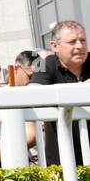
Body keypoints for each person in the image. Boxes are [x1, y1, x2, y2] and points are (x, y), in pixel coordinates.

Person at [28, 20, 89, 166]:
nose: (79, 46)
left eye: (83, 40)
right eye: (72, 42)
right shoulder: (43, 63)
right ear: (54, 46)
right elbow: (33, 94)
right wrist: (81, 90)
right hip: (62, 159)